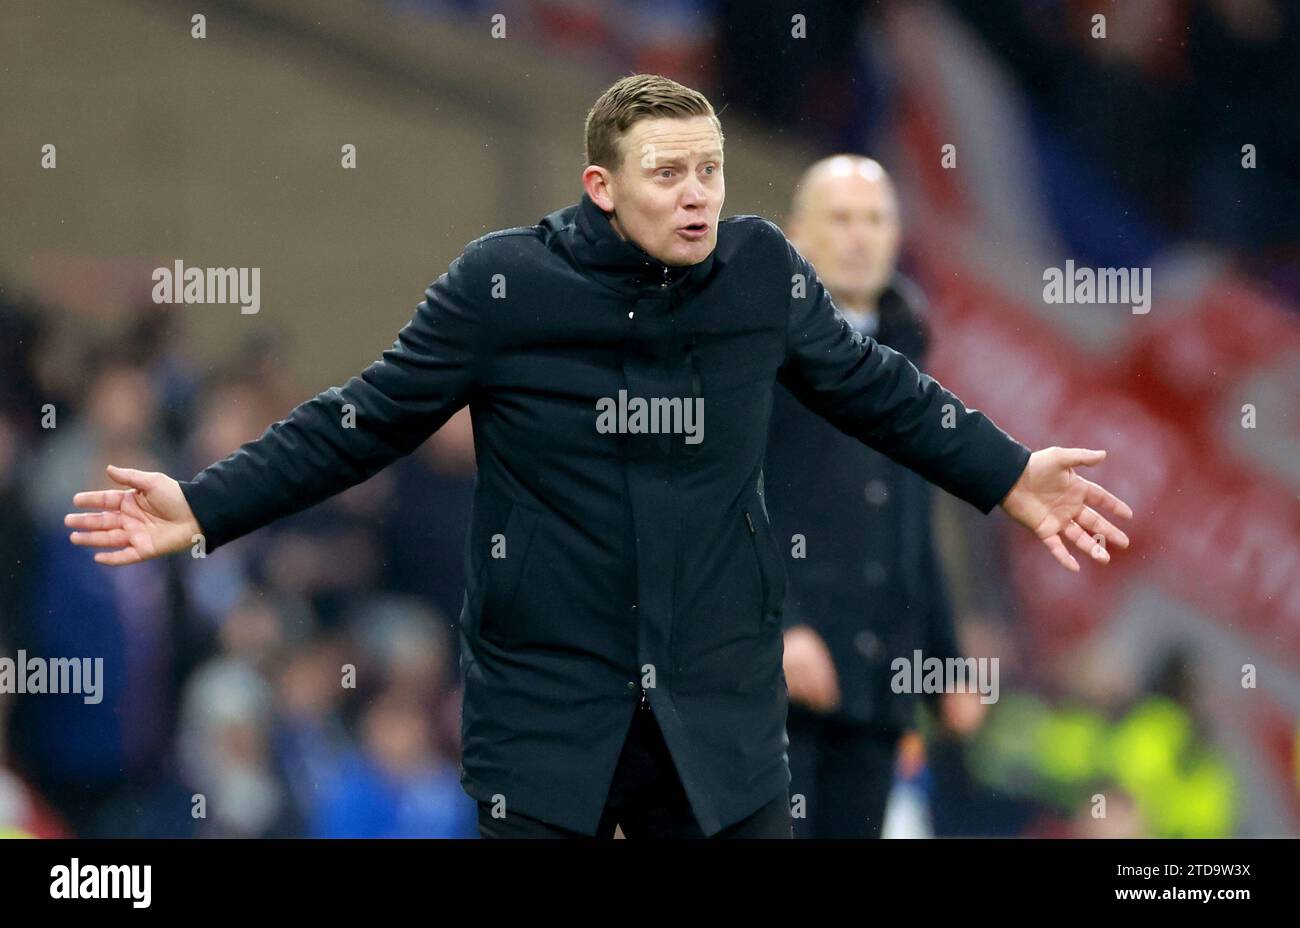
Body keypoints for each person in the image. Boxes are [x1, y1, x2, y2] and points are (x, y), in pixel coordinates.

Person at [65, 74, 1132, 839]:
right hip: (549, 715)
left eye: (709, 170)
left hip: (718, 711)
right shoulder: (503, 285)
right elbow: (364, 418)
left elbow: (876, 390)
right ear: (600, 185)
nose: (698, 194)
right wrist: (206, 504)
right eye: (667, 174)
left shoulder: (760, 271)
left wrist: (1005, 470)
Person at [766, 155, 982, 838]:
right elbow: (723, 500)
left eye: (875, 219)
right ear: (798, 235)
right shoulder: (757, 348)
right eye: (840, 219)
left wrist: (945, 662)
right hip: (773, 685)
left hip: (879, 688)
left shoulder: (908, 355)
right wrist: (780, 625)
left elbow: (913, 527)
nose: (859, 236)